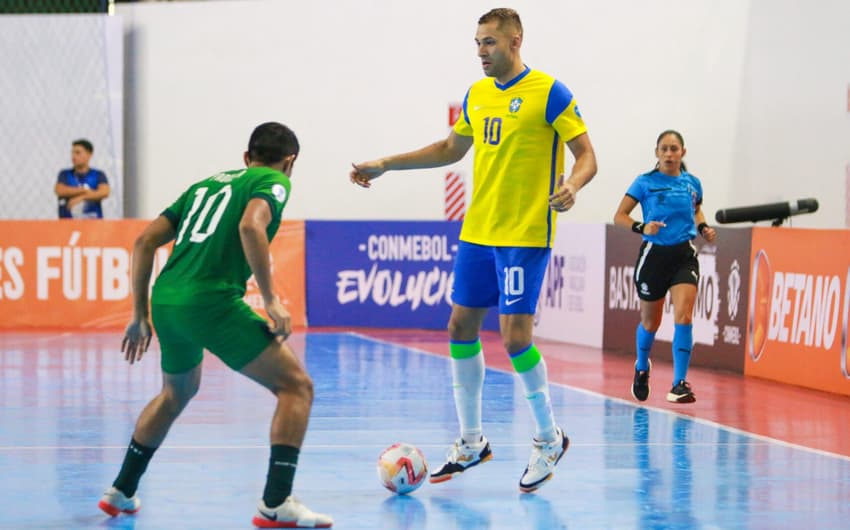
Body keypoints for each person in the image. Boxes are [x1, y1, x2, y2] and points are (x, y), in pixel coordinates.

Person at [350, 8, 597, 493]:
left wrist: (574, 185)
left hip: (524, 234)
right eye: (477, 43)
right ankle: (470, 442)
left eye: (489, 43)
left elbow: (587, 154)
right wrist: (385, 164)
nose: (481, 52)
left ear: (515, 41)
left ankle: (549, 437)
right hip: (478, 232)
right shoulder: (477, 95)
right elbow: (449, 149)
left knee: (515, 337)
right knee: (460, 326)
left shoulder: (550, 92)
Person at [97, 122, 333, 528]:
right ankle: (276, 503)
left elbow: (143, 243)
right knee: (296, 388)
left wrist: (139, 315)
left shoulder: (203, 186)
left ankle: (122, 489)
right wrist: (272, 299)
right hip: (211, 302)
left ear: (246, 156)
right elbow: (250, 225)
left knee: (177, 392)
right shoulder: (274, 181)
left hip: (167, 301)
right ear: (290, 161)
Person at [613, 129, 717, 404]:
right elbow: (619, 216)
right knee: (651, 322)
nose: (669, 154)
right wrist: (642, 226)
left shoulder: (693, 183)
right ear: (657, 153)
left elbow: (695, 210)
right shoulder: (644, 182)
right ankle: (642, 366)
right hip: (653, 257)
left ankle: (679, 383)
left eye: (674, 149)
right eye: (664, 149)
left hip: (684, 255)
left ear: (683, 152)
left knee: (684, 316)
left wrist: (703, 226)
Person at [54, 139, 110, 218]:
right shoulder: (65, 174)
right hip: (68, 225)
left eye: (78, 153)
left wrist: (82, 198)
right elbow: (60, 190)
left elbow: (104, 192)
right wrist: (84, 190)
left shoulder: (98, 174)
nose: (73, 156)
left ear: (89, 155)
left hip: (93, 225)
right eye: (72, 153)